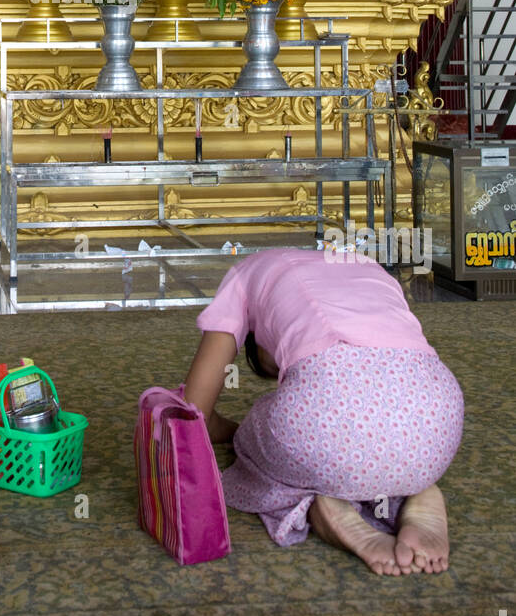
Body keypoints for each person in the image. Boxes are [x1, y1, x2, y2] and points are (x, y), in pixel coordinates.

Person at [183, 246, 463, 576]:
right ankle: (418, 491)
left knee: (261, 432)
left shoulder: (245, 273)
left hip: (325, 422)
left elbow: (193, 413)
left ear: (258, 340)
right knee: (379, 440)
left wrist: (236, 431)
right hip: (438, 421)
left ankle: (321, 505)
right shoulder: (369, 266)